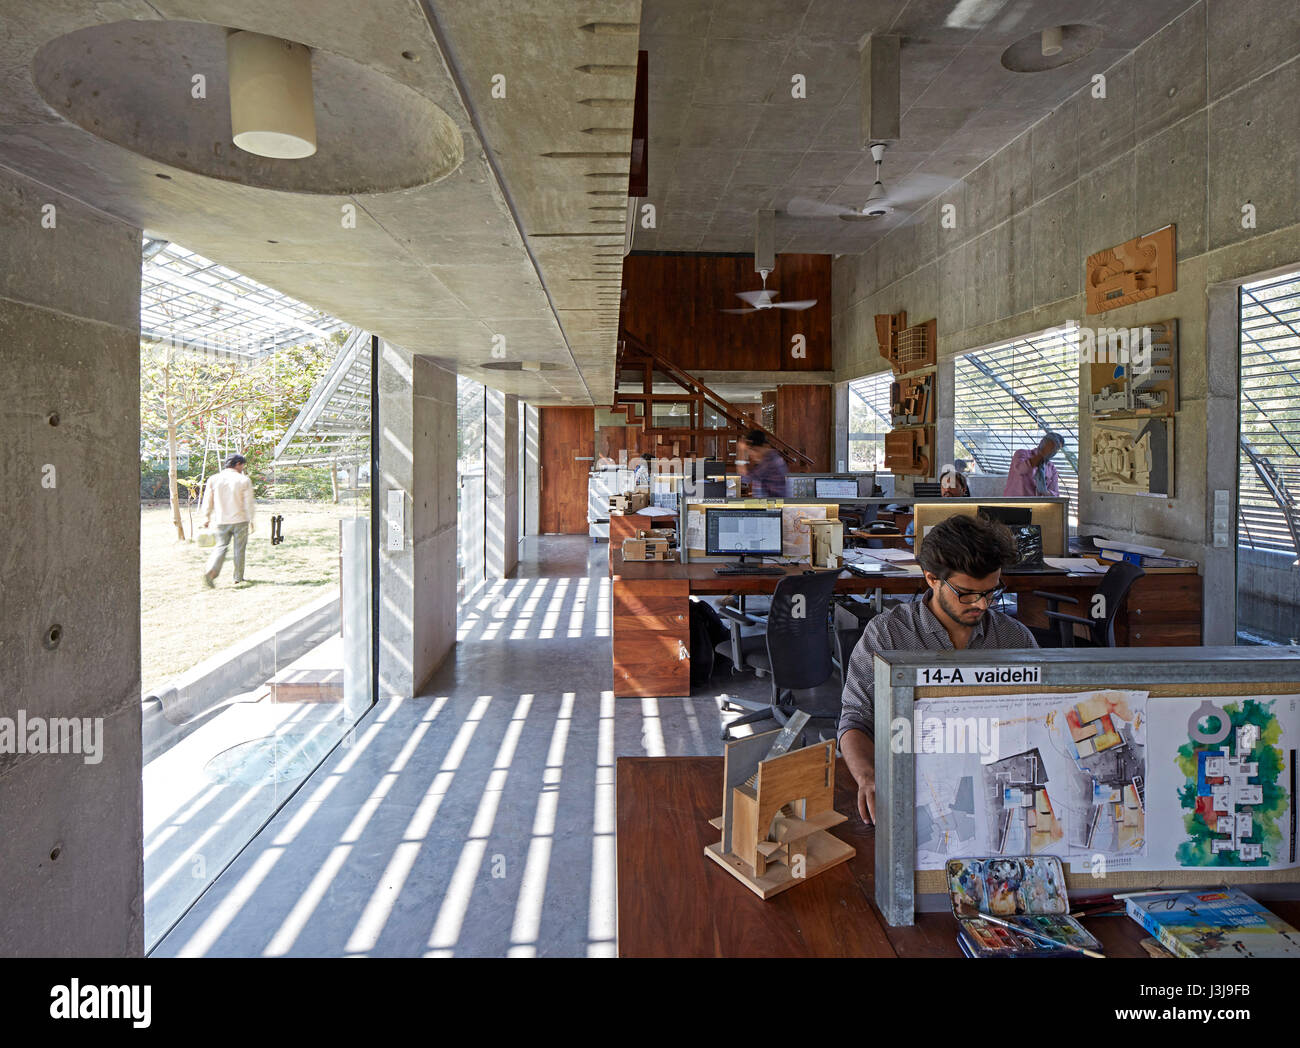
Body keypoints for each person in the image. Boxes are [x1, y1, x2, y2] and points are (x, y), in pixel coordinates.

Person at [838, 513, 1038, 826]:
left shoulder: (1014, 639)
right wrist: (868, 777)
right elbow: (856, 718)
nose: (982, 605)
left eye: (990, 591)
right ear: (932, 578)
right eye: (967, 593)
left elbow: (1036, 718)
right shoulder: (887, 635)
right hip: (912, 787)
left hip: (994, 790)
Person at [201, 453, 256, 587]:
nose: (242, 468)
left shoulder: (214, 479)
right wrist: (252, 519)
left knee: (220, 547)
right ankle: (238, 577)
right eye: (242, 465)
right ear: (237, 464)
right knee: (239, 549)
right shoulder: (243, 480)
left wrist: (206, 517)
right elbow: (249, 502)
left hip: (221, 520)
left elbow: (208, 500)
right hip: (240, 520)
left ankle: (212, 571)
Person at [1003, 432, 1065, 496]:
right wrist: (1042, 454)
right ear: (1042, 442)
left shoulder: (1051, 468)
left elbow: (1055, 493)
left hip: (1036, 504)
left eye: (1056, 449)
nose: (1052, 450)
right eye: (1051, 446)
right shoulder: (1021, 454)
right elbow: (1021, 469)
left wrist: (1045, 492)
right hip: (1014, 503)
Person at [736, 429, 788, 498]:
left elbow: (744, 479)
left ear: (759, 448)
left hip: (773, 505)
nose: (750, 454)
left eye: (751, 450)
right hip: (771, 503)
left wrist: (741, 452)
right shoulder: (772, 457)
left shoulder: (769, 461)